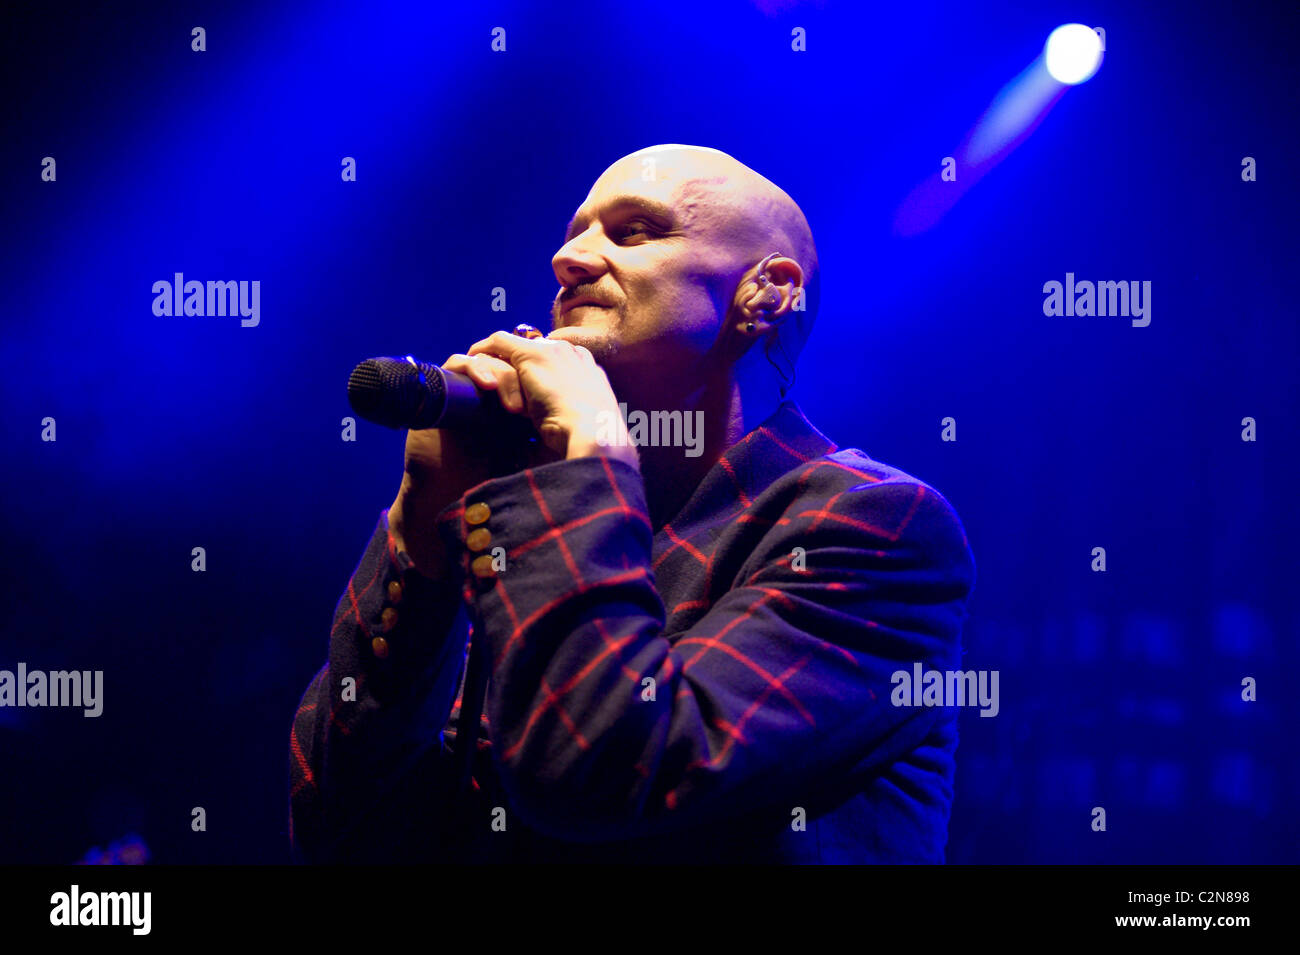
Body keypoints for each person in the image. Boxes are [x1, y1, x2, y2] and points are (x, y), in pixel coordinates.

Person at [288, 144, 976, 863]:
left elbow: (610, 769)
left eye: (635, 231)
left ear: (768, 293)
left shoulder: (876, 528)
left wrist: (585, 459)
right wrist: (421, 537)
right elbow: (338, 825)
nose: (569, 260)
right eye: (573, 234)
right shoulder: (527, 524)